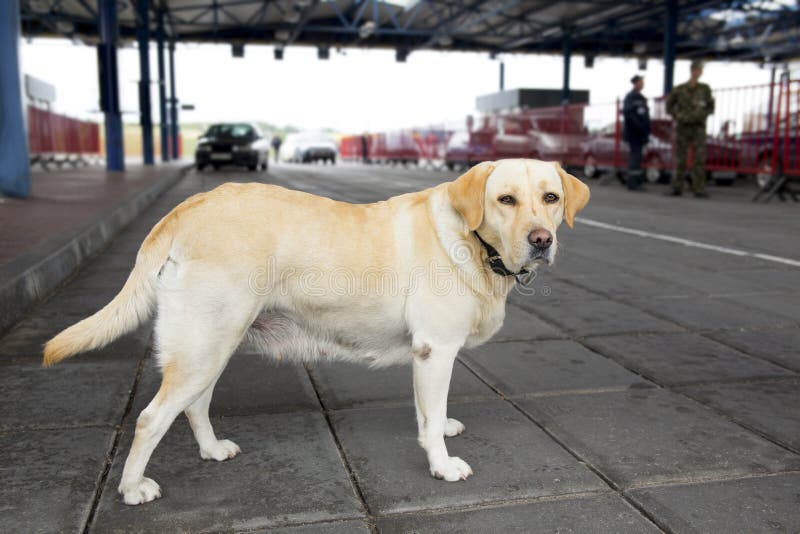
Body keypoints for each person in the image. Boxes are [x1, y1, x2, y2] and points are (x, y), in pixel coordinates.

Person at [666, 60, 715, 198]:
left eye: (701, 70)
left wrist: (702, 115)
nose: (700, 72)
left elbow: (711, 107)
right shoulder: (680, 89)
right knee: (680, 157)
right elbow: (669, 106)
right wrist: (678, 116)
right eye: (698, 69)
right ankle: (677, 187)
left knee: (699, 158)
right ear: (693, 70)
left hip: (698, 127)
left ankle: (698, 188)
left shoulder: (705, 89)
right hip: (683, 126)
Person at [622, 74, 651, 191]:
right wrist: (639, 126)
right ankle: (633, 183)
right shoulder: (631, 97)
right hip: (634, 133)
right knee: (635, 157)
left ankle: (637, 181)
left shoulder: (642, 98)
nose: (643, 84)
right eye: (641, 82)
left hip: (641, 133)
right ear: (635, 83)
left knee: (638, 158)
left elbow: (644, 116)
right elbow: (628, 114)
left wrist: (645, 130)